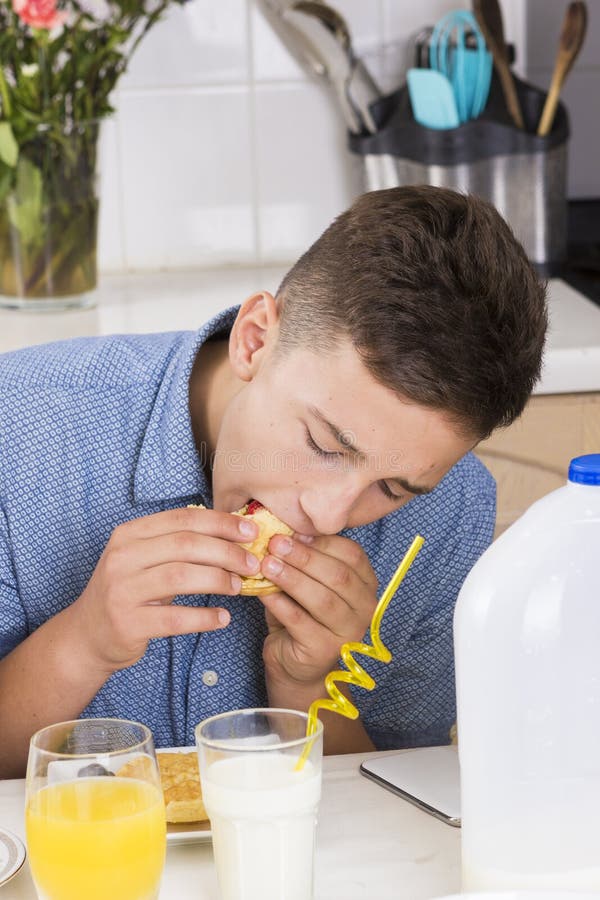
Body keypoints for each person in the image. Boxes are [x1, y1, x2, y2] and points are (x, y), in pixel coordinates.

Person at [0, 186, 547, 777]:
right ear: (255, 339)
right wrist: (84, 642)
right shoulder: (19, 428)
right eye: (323, 445)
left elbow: (404, 798)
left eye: (392, 489)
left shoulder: (451, 513)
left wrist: (306, 686)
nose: (332, 516)